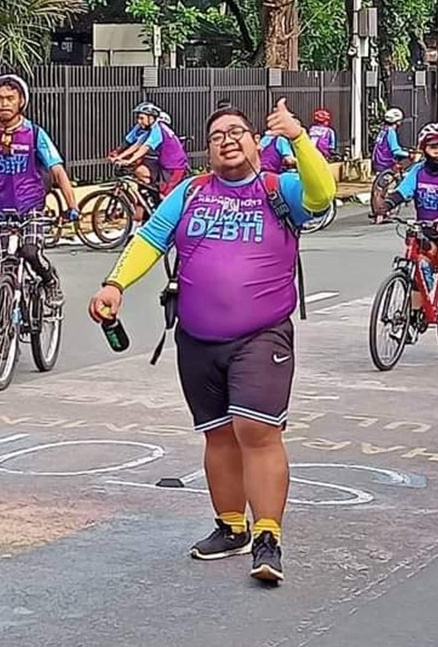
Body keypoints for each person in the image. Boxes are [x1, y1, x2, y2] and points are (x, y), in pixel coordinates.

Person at [88, 98, 336, 585]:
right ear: (208, 148)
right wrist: (115, 284)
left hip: (261, 334)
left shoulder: (278, 189)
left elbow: (322, 194)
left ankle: (268, 537)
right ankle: (231, 526)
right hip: (197, 338)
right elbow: (150, 239)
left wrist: (297, 136)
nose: (227, 140)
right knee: (218, 433)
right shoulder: (191, 193)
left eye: (237, 132)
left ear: (256, 142)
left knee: (256, 430)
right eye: (218, 135)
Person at [0, 74, 79, 304]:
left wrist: (72, 206)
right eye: (0, 98)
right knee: (0, 268)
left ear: (21, 101)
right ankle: (3, 316)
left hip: (30, 207)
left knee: (30, 252)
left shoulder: (34, 134)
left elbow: (58, 171)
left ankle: (50, 280)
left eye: (10, 98)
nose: (4, 103)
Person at [380, 123, 438, 311]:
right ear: (424, 148)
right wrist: (386, 206)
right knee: (420, 267)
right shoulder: (417, 171)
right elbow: (402, 192)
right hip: (427, 228)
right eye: (433, 147)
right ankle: (414, 316)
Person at [114, 102, 189, 193]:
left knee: (164, 196)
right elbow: (137, 145)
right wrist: (119, 156)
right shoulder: (150, 129)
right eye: (138, 118)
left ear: (151, 118)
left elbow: (145, 148)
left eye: (142, 118)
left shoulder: (158, 129)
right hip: (162, 164)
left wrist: (129, 161)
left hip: (174, 167)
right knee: (139, 170)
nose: (139, 121)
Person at [372, 108, 411, 174]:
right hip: (386, 164)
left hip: (377, 163)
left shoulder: (383, 130)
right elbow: (396, 151)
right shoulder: (391, 132)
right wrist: (409, 155)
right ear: (397, 122)